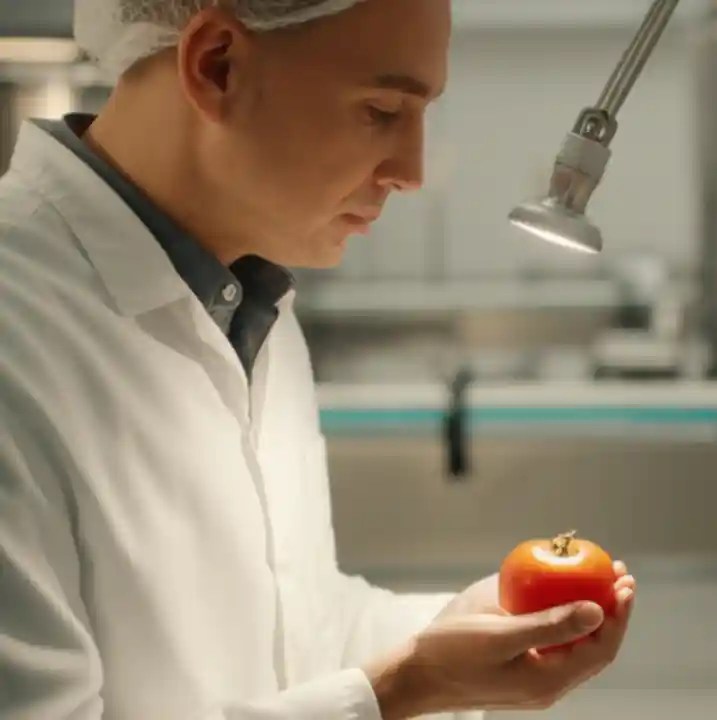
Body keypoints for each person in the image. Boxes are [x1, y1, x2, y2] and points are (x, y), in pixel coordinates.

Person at [0, 1, 636, 717]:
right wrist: (401, 690)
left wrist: (456, 637)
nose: (413, 171)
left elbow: (294, 627)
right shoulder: (17, 334)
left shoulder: (247, 302)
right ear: (217, 65)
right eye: (382, 109)